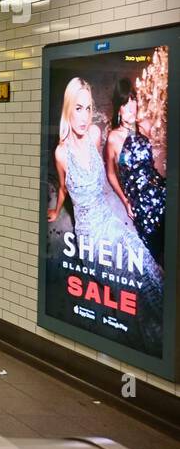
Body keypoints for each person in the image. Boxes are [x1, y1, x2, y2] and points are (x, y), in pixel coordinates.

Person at [47, 77, 162, 354]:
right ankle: (151, 341)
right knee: (134, 285)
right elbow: (64, 187)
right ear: (68, 109)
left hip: (109, 219)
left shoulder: (97, 135)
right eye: (78, 108)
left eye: (88, 108)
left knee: (148, 265)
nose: (84, 117)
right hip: (91, 236)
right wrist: (56, 207)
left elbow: (112, 167)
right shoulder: (61, 153)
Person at [106, 77, 166, 263]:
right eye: (126, 102)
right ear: (119, 108)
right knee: (152, 255)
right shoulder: (113, 139)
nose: (131, 106)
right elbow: (110, 173)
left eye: (133, 100)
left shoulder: (144, 127)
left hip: (161, 195)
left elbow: (154, 160)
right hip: (139, 204)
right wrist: (125, 201)